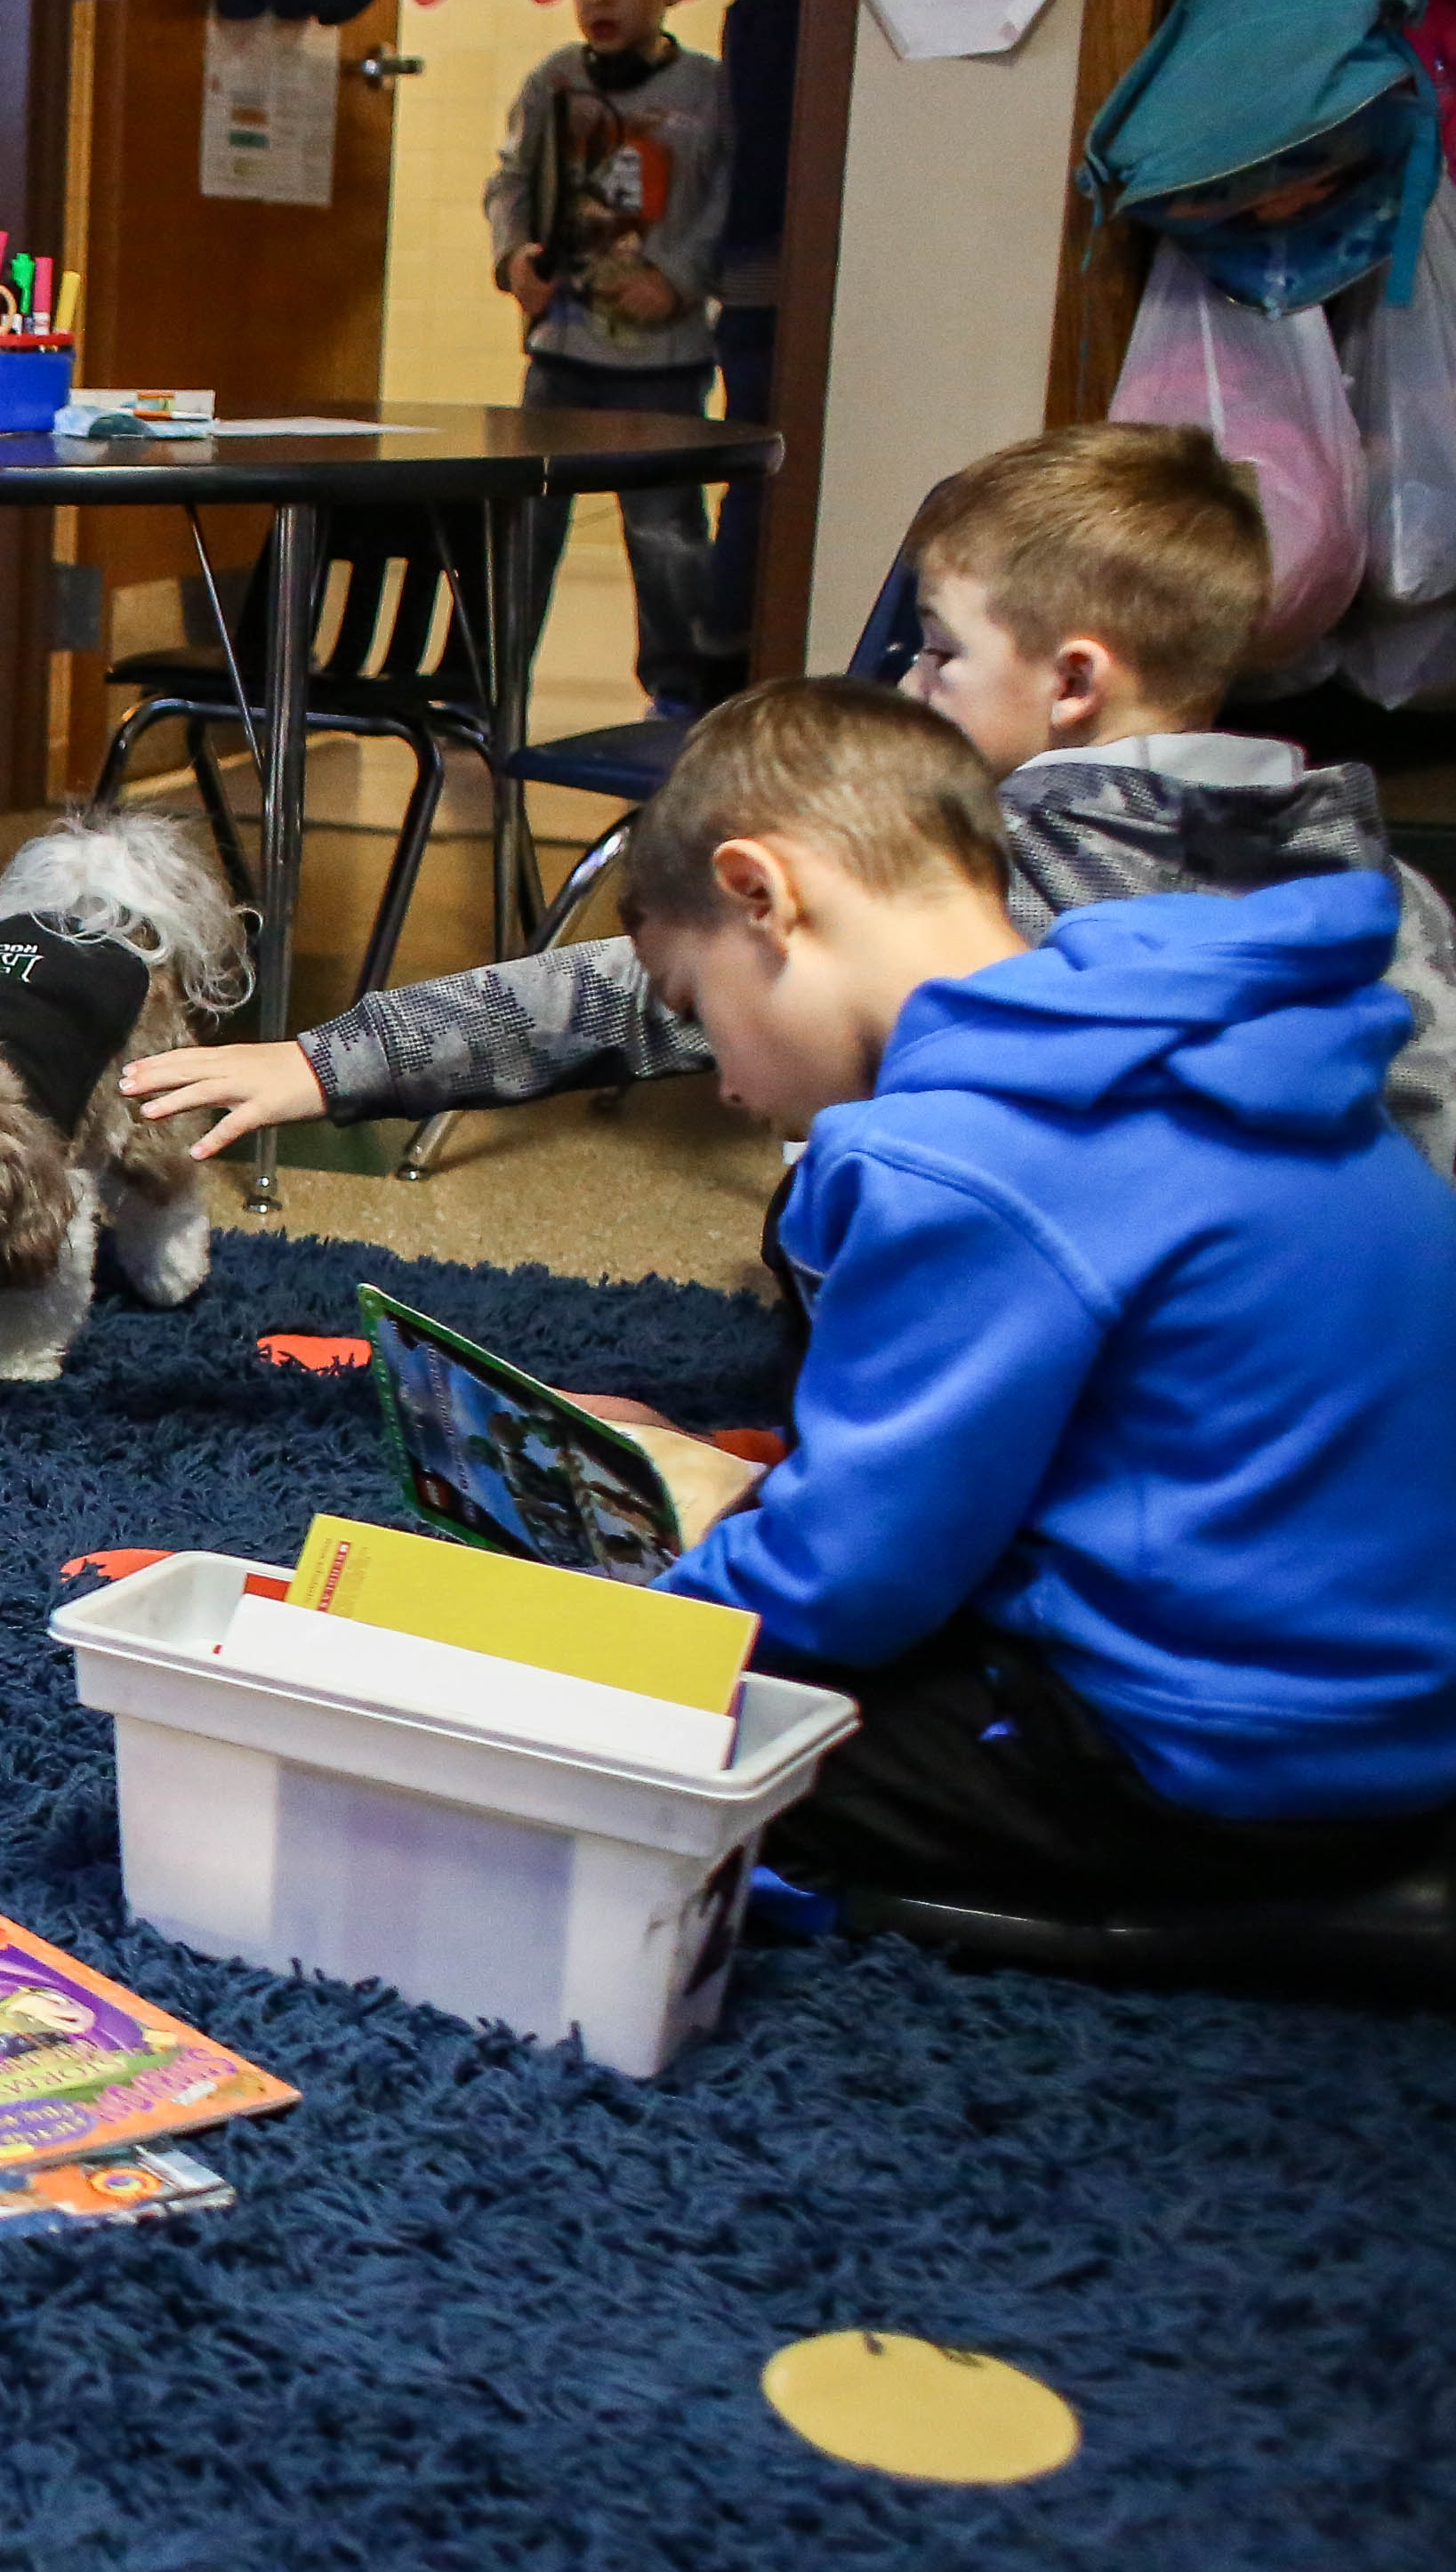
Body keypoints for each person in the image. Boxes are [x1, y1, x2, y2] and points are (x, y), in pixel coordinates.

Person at [587, 682, 1456, 1969]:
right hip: (1396, 1701)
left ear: (760, 895)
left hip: (1210, 1757)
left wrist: (628, 1626)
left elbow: (845, 1589)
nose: (717, 1077)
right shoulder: (1186, 1027)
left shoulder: (961, 1158)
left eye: (695, 1006)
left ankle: (1269, 1914)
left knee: (634, 1755)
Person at [123, 423, 1456, 1180]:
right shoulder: (1378, 884)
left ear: (1070, 681)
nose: (914, 682)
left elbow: (645, 984)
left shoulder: (1001, 882)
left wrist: (326, 1057)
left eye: (940, 651)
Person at [487, 0, 735, 719]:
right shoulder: (551, 81)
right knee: (524, 528)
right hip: (562, 351)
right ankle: (491, 685)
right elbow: (511, 182)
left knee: (664, 531)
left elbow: (722, 202)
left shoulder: (706, 90)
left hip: (661, 361)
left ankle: (676, 691)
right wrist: (513, 255)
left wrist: (677, 277)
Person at [655, 0, 811, 686]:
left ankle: (717, 654)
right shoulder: (804, 19)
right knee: (771, 476)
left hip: (749, 280)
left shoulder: (754, 17)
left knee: (754, 475)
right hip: (782, 277)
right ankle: (723, 657)